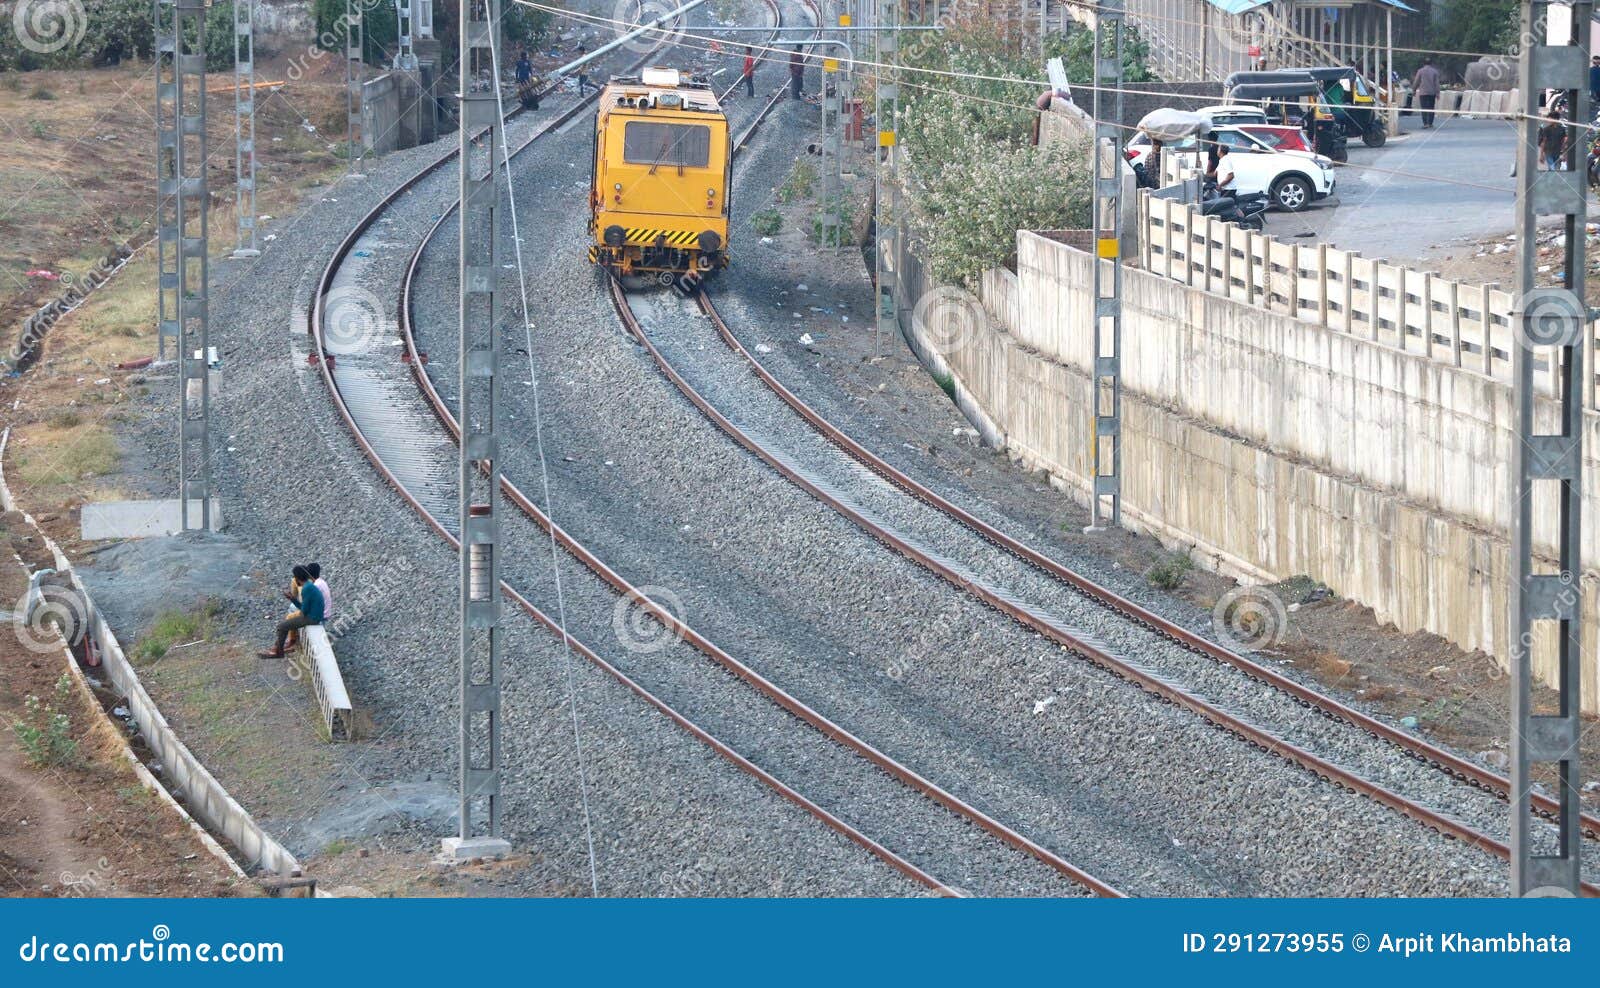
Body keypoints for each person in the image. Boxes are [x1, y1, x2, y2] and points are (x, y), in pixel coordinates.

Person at [259, 565, 324, 659]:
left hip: (312, 618)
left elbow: (304, 611)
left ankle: (279, 653)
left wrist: (293, 601)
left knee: (282, 627)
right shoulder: (309, 585)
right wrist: (292, 599)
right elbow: (304, 608)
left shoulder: (306, 589)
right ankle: (278, 649)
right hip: (314, 615)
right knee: (285, 625)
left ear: (297, 578)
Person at [1412, 56, 1441, 129]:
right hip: (1432, 92)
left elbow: (1416, 81)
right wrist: (1438, 93)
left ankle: (1425, 124)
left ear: (1423, 63)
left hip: (1423, 93)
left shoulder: (1420, 71)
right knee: (1431, 107)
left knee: (1424, 108)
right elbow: (1437, 83)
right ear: (1431, 63)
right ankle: (1430, 123)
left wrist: (1414, 90)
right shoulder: (1435, 71)